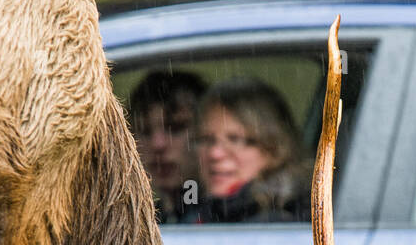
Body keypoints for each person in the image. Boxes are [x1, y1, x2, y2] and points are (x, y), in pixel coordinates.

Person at [181, 78, 309, 224]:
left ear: (273, 149)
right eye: (205, 139)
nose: (214, 153)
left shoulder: (280, 224)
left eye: (235, 139)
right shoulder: (197, 211)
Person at [127, 70, 207, 223]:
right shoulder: (138, 221)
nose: (158, 144)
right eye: (145, 130)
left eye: (176, 128)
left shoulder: (232, 214)